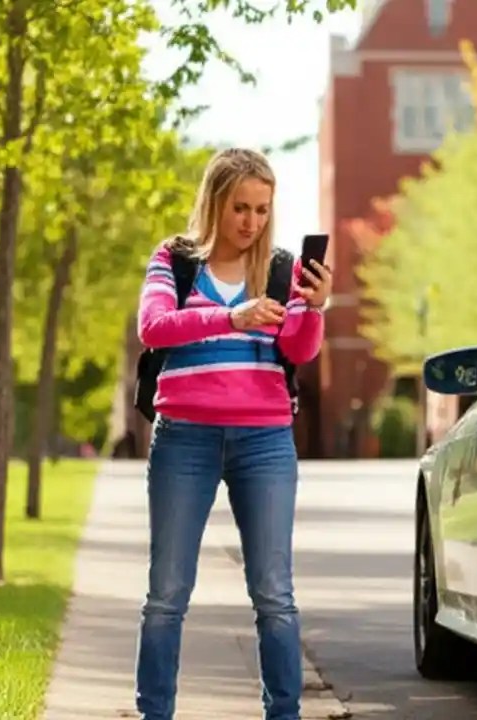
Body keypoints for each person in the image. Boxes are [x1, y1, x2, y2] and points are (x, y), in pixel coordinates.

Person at [133, 147, 331, 720]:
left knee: (274, 595)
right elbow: (153, 327)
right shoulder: (174, 259)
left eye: (262, 209)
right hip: (184, 437)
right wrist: (231, 317)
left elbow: (298, 349)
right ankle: (155, 714)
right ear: (214, 204)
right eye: (240, 208)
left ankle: (285, 714)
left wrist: (313, 308)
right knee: (166, 595)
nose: (251, 222)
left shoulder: (281, 269)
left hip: (264, 441)